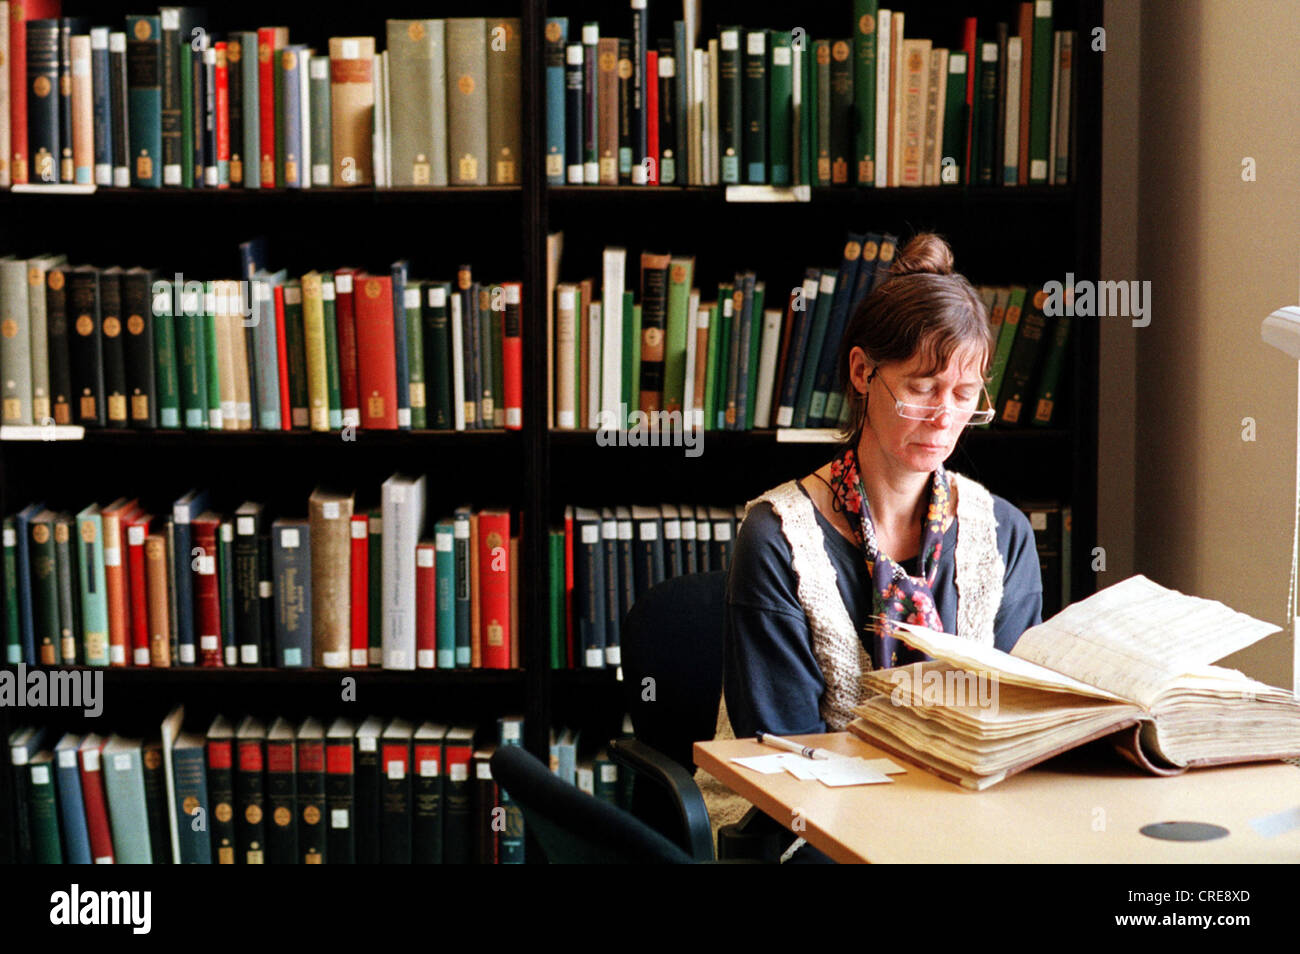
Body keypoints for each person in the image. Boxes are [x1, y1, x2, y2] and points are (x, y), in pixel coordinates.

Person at [709, 232, 1044, 861]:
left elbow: (1015, 726)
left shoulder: (1003, 533)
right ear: (864, 372)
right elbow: (787, 761)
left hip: (967, 825)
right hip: (808, 832)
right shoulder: (776, 539)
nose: (945, 416)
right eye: (922, 387)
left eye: (964, 394)